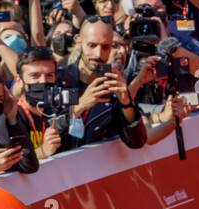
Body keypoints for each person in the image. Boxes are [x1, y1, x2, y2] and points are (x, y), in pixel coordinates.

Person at [58, 17, 147, 152]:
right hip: (60, 170)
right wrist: (79, 106)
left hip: (100, 169)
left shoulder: (113, 84)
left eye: (105, 47)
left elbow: (137, 142)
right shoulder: (58, 80)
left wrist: (127, 104)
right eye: (92, 45)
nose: (98, 54)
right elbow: (46, 129)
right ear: (78, 41)